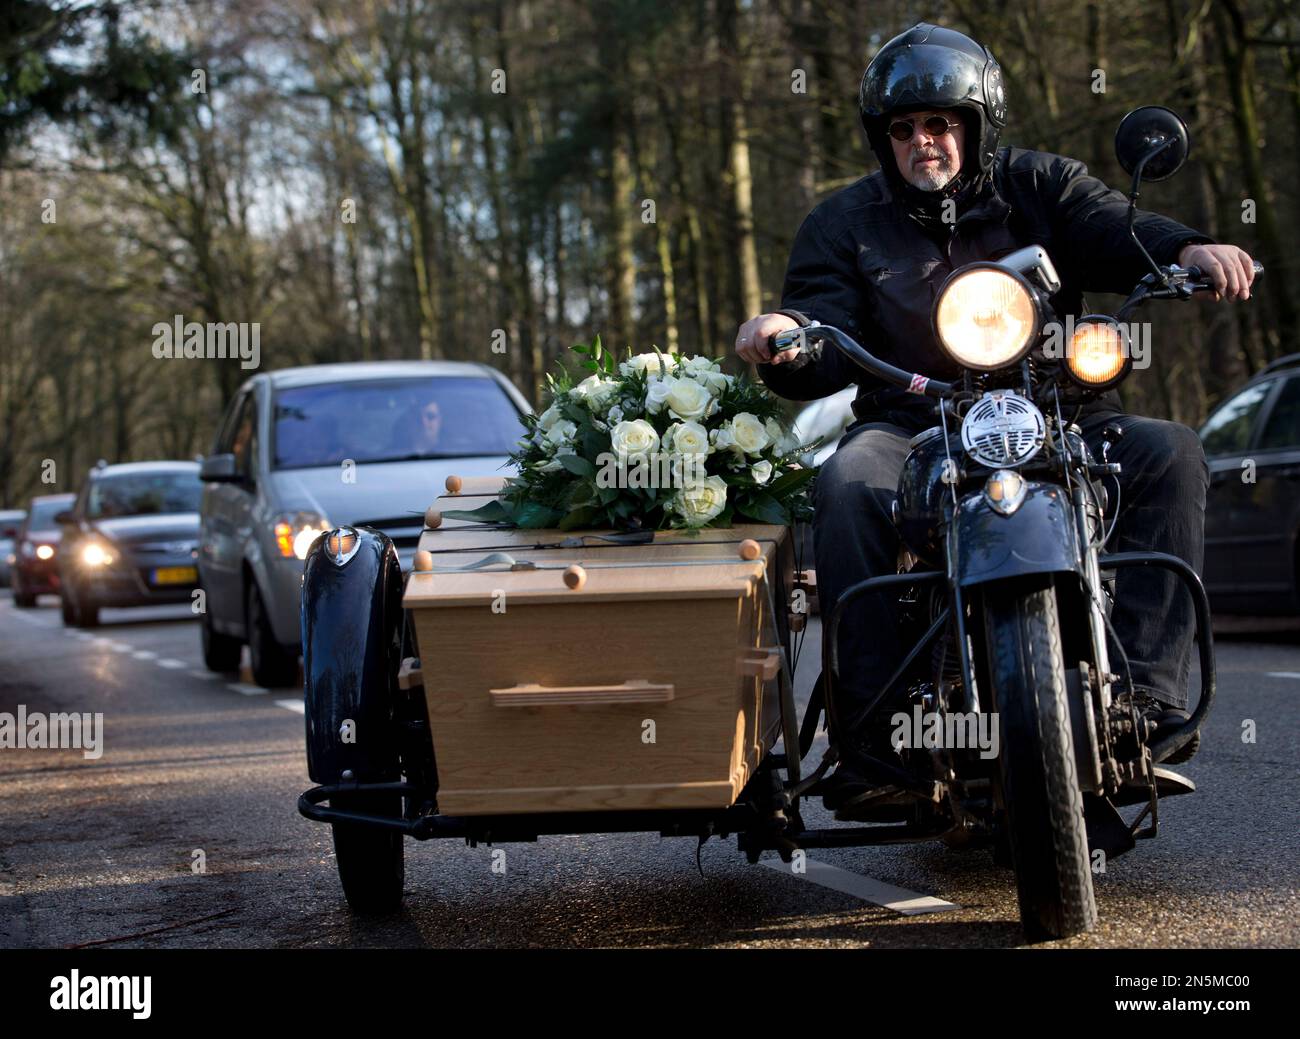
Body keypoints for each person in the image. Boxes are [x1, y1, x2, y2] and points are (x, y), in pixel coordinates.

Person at [734, 23, 1258, 809]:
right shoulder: (843, 222)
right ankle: (879, 738)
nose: (925, 142)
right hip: (912, 419)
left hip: (1057, 408)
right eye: (905, 129)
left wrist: (1186, 250)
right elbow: (819, 329)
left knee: (1170, 451)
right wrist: (783, 340)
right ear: (884, 140)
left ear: (976, 126)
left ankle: (1148, 699)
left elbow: (1117, 229)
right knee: (846, 482)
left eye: (942, 123)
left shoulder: (1041, 185)